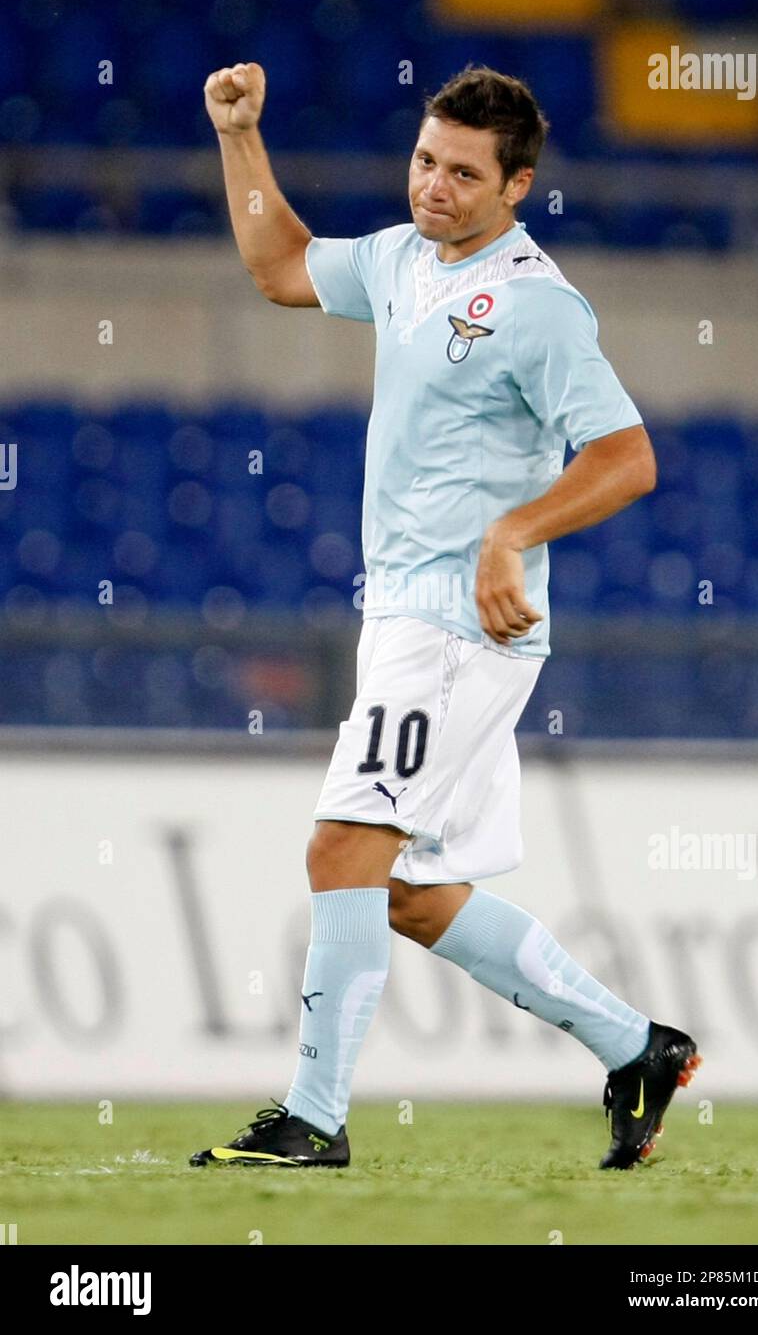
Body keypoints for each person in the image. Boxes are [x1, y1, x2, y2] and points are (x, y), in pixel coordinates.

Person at [190, 62, 701, 1173]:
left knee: (342, 846)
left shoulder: (537, 305)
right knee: (412, 894)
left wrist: (512, 532)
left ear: (516, 188)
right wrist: (241, 136)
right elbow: (280, 264)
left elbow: (628, 456)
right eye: (426, 161)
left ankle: (313, 1119)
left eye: (465, 175)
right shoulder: (401, 259)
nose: (435, 188)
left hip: (458, 631)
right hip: (407, 620)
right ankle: (637, 1047)